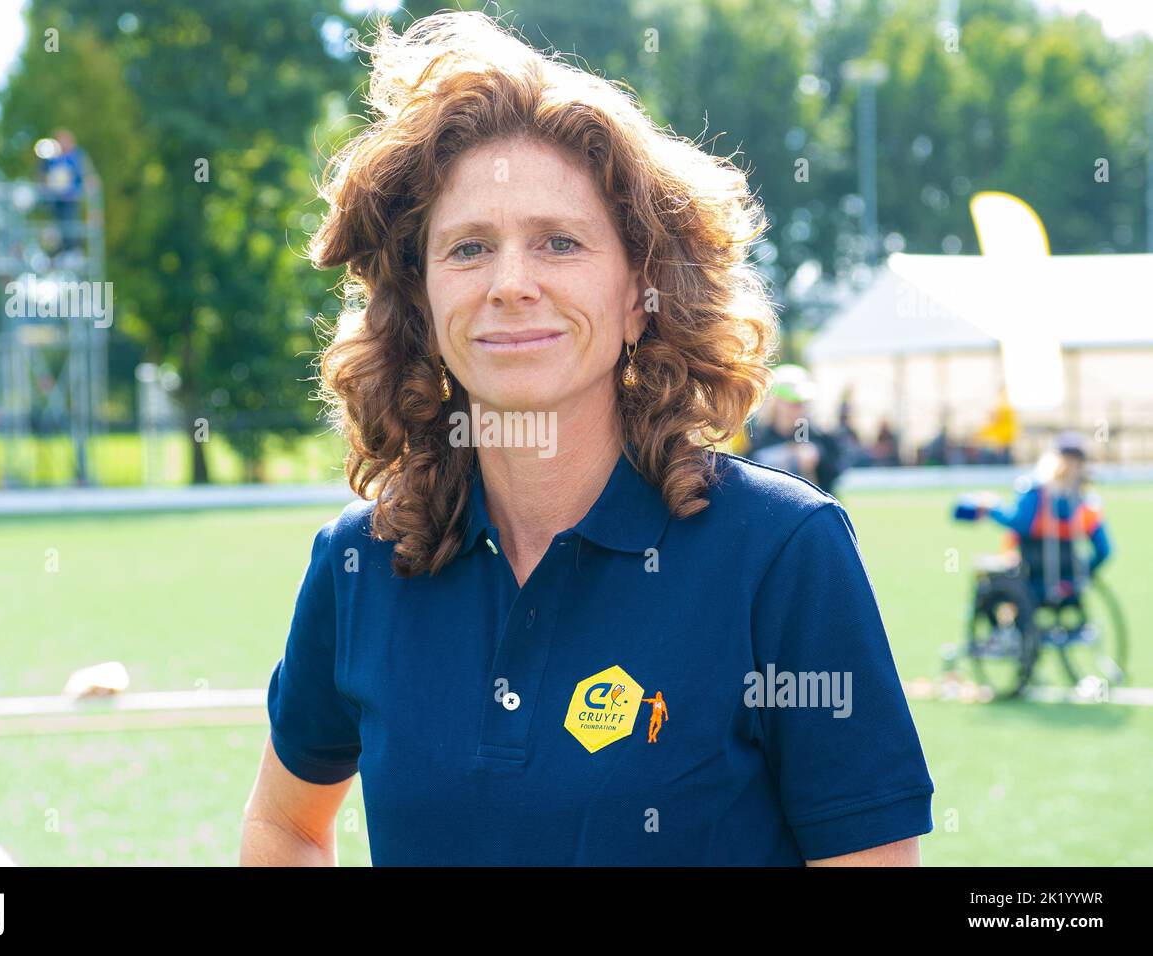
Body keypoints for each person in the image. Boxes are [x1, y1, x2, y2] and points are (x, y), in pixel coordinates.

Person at [241, 11, 933, 867]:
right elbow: (285, 826)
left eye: (559, 243)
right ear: (421, 299)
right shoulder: (358, 563)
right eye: (468, 248)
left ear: (642, 291)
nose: (510, 284)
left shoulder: (782, 551)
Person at [972, 431, 1111, 609]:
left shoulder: (1036, 493)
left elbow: (1019, 523)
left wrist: (993, 507)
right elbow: (1104, 551)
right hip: (1067, 583)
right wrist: (1078, 576)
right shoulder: (1088, 504)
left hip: (1031, 579)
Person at [745, 364, 846, 498]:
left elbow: (834, 477)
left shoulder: (818, 436)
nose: (798, 408)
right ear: (776, 402)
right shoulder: (756, 436)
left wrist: (818, 459)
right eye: (792, 402)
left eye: (802, 403)